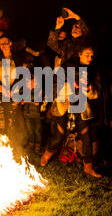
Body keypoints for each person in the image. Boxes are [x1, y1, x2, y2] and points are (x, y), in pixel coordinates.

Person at [40, 44, 102, 178]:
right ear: (79, 53)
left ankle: (88, 167)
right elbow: (55, 84)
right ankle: (46, 155)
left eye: (92, 55)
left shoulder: (92, 69)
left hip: (81, 105)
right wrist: (67, 87)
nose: (90, 58)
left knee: (86, 136)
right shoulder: (68, 66)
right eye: (87, 54)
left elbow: (97, 90)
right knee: (59, 133)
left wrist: (90, 89)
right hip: (65, 103)